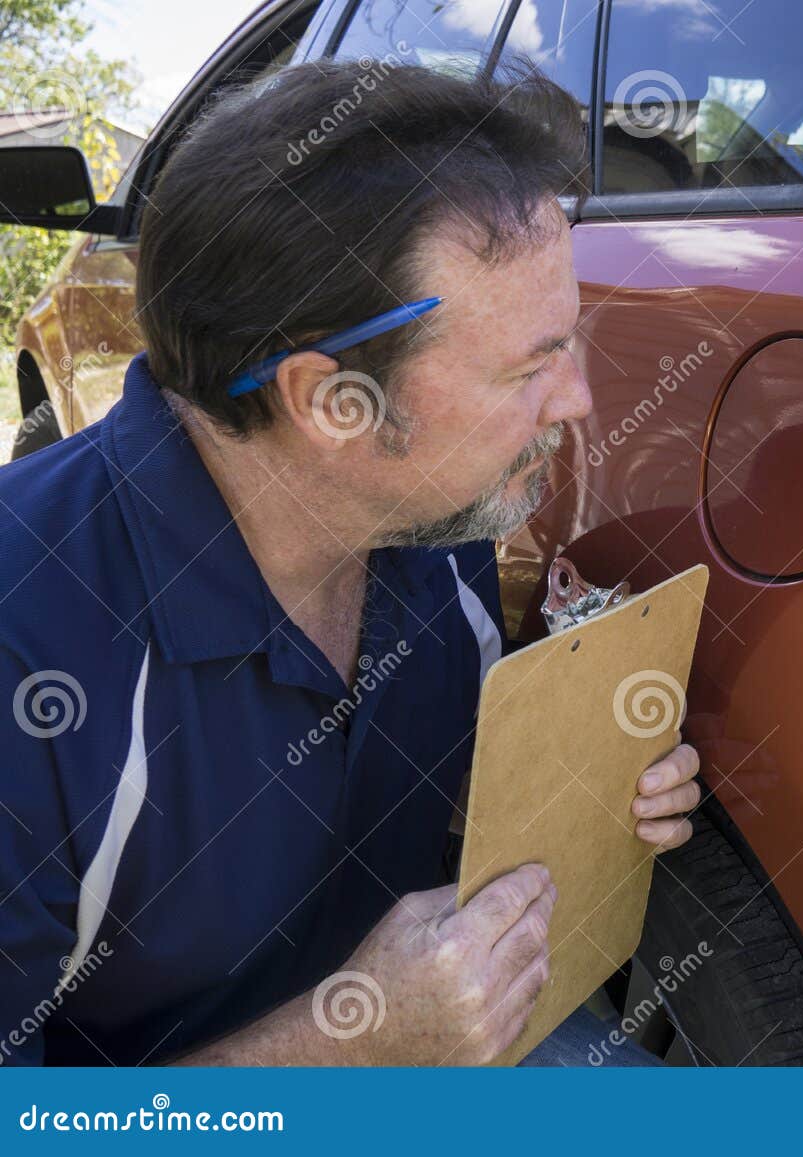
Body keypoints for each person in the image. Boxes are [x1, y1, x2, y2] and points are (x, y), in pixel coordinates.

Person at [0, 60, 698, 1066]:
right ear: (333, 403)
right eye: (529, 364)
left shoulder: (431, 531)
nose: (578, 399)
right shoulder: (31, 647)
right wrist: (349, 1046)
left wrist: (584, 784)